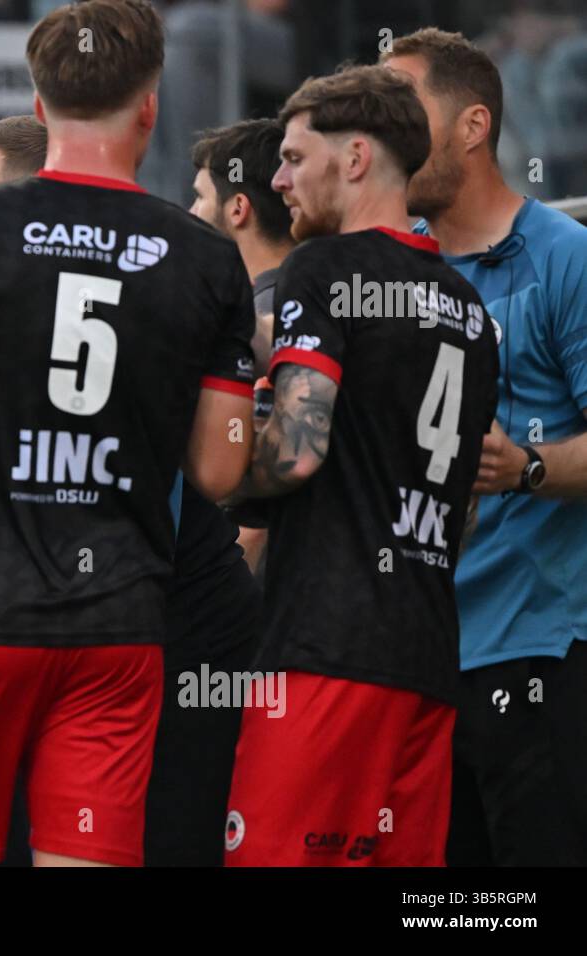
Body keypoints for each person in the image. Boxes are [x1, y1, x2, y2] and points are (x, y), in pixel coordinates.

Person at [0, 0, 256, 867]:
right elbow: (222, 471)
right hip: (117, 631)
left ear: (38, 106)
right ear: (149, 104)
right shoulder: (201, 254)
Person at [224, 64, 500, 866]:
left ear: (353, 160)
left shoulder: (325, 270)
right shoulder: (469, 309)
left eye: (292, 158)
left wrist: (210, 460)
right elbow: (465, 508)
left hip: (326, 653)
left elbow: (297, 452)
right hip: (426, 658)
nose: (278, 182)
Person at [384, 28, 587, 866]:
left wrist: (527, 467)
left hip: (538, 651)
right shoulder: (391, 270)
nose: (384, 137)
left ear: (473, 126)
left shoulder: (565, 257)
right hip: (415, 663)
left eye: (404, 112)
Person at [189, 118, 296, 577]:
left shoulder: (259, 323)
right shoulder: (307, 307)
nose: (190, 213)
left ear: (237, 210)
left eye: (199, 197)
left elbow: (253, 522)